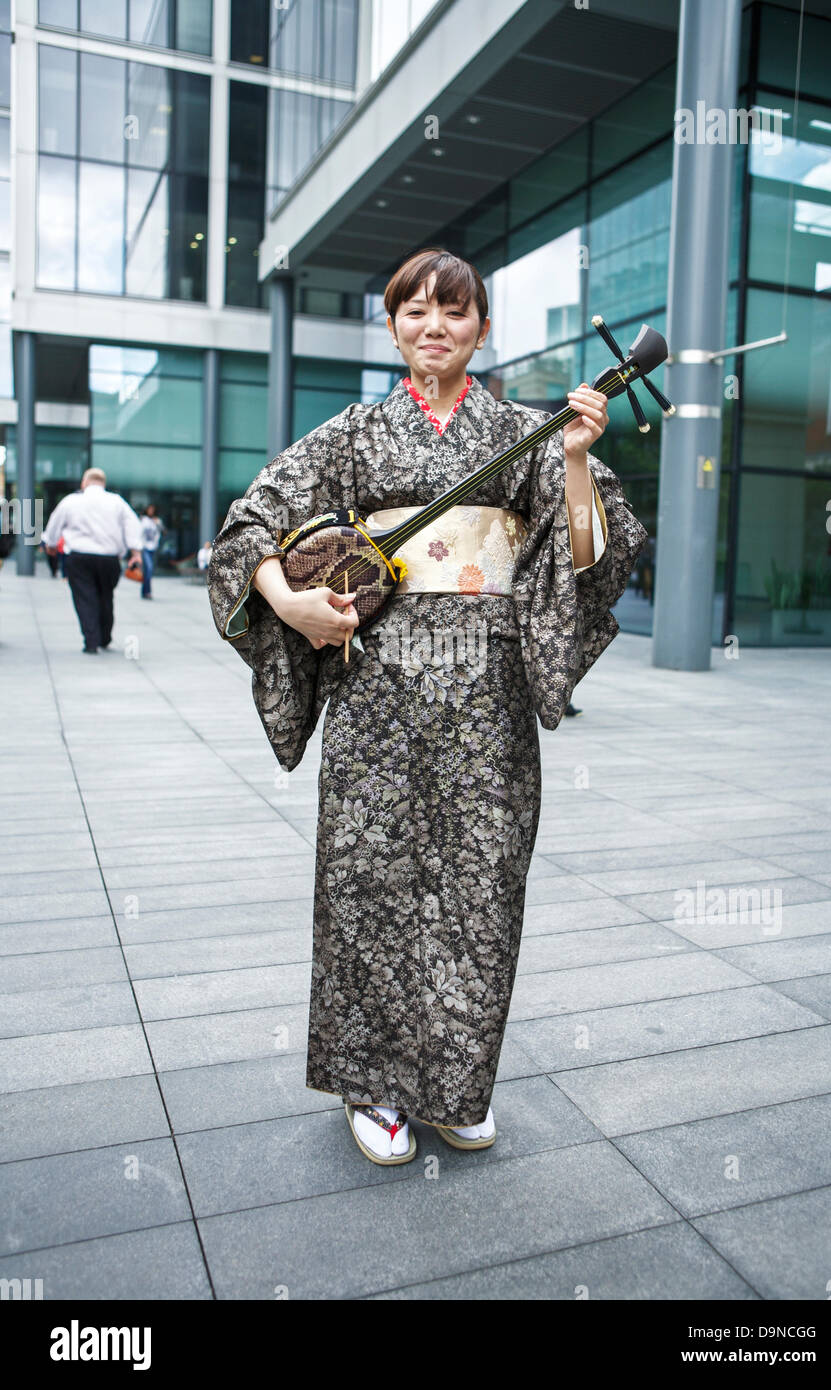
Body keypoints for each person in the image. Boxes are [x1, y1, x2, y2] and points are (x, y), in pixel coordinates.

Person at [207, 247, 648, 1165]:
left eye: (454, 312)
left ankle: (456, 1084)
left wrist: (571, 462)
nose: (434, 326)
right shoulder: (354, 436)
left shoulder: (523, 430)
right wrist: (291, 604)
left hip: (488, 701)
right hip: (378, 692)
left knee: (480, 889)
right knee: (370, 884)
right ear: (394, 326)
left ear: (482, 330)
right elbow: (249, 524)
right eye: (414, 310)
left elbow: (594, 560)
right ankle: (374, 1090)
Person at [41, 467, 143, 653]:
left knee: (84, 598)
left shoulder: (71, 501)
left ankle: (91, 640)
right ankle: (105, 637)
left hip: (79, 557)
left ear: (84, 482)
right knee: (106, 597)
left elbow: (55, 524)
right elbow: (132, 524)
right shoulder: (117, 502)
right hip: (109, 559)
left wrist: (51, 544)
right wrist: (135, 552)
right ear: (103, 484)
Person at [139, 504, 165, 599]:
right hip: (145, 548)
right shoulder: (143, 520)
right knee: (149, 569)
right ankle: (148, 591)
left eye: (152, 509)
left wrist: (158, 523)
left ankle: (144, 591)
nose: (151, 511)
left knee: (148, 571)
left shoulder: (157, 520)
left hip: (153, 548)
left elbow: (164, 532)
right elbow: (138, 532)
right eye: (149, 509)